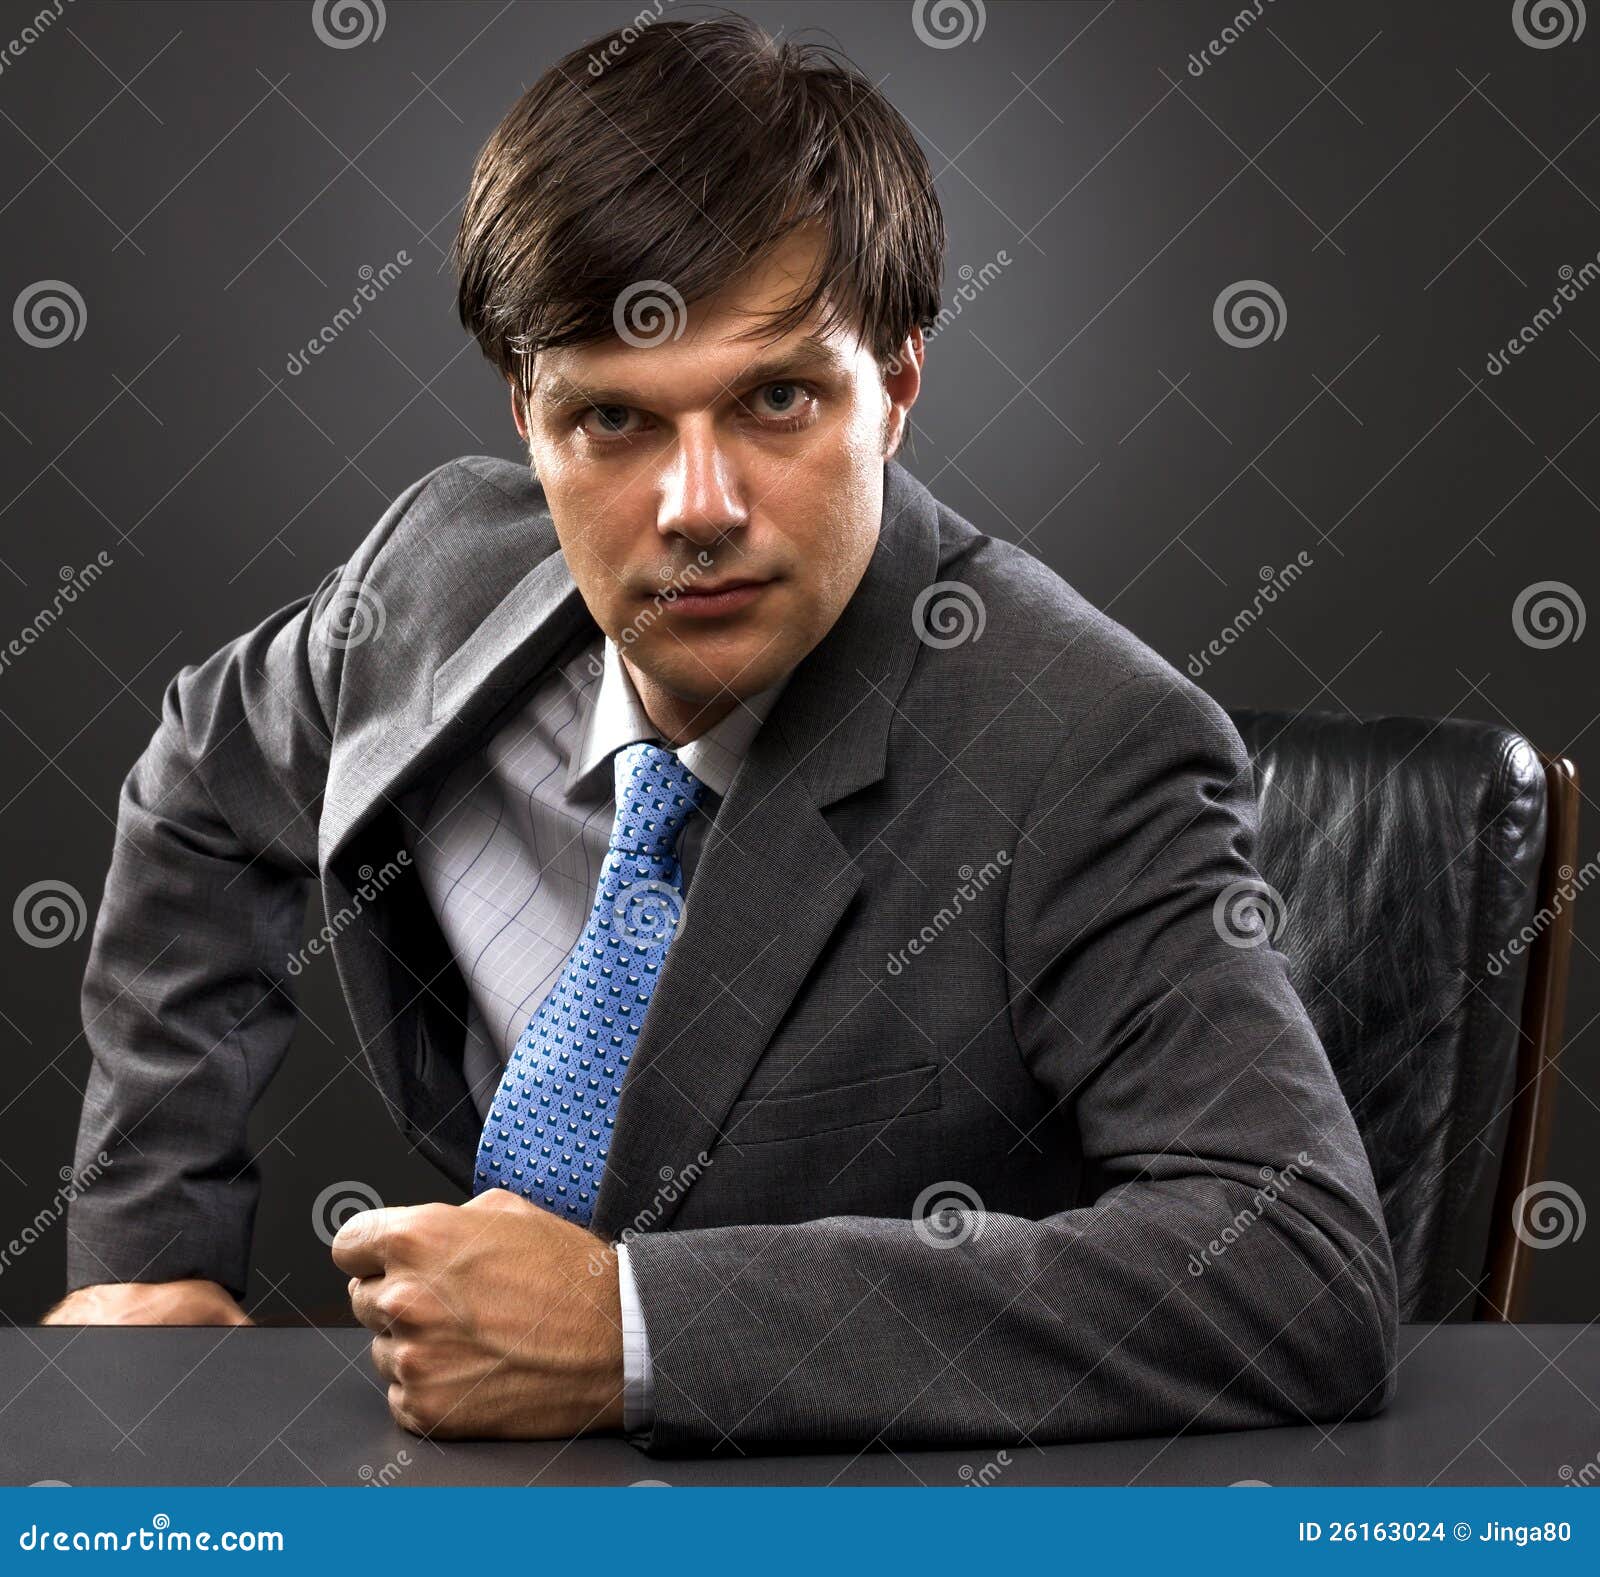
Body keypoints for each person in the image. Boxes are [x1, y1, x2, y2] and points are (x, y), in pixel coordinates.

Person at [46, 13, 1397, 1455]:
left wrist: (632, 1326)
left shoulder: (1082, 742)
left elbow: (1296, 1264)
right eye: (614, 421)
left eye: (776, 398)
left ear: (898, 389)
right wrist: (151, 1247)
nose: (697, 505)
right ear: (524, 413)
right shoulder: (430, 581)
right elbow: (201, 779)